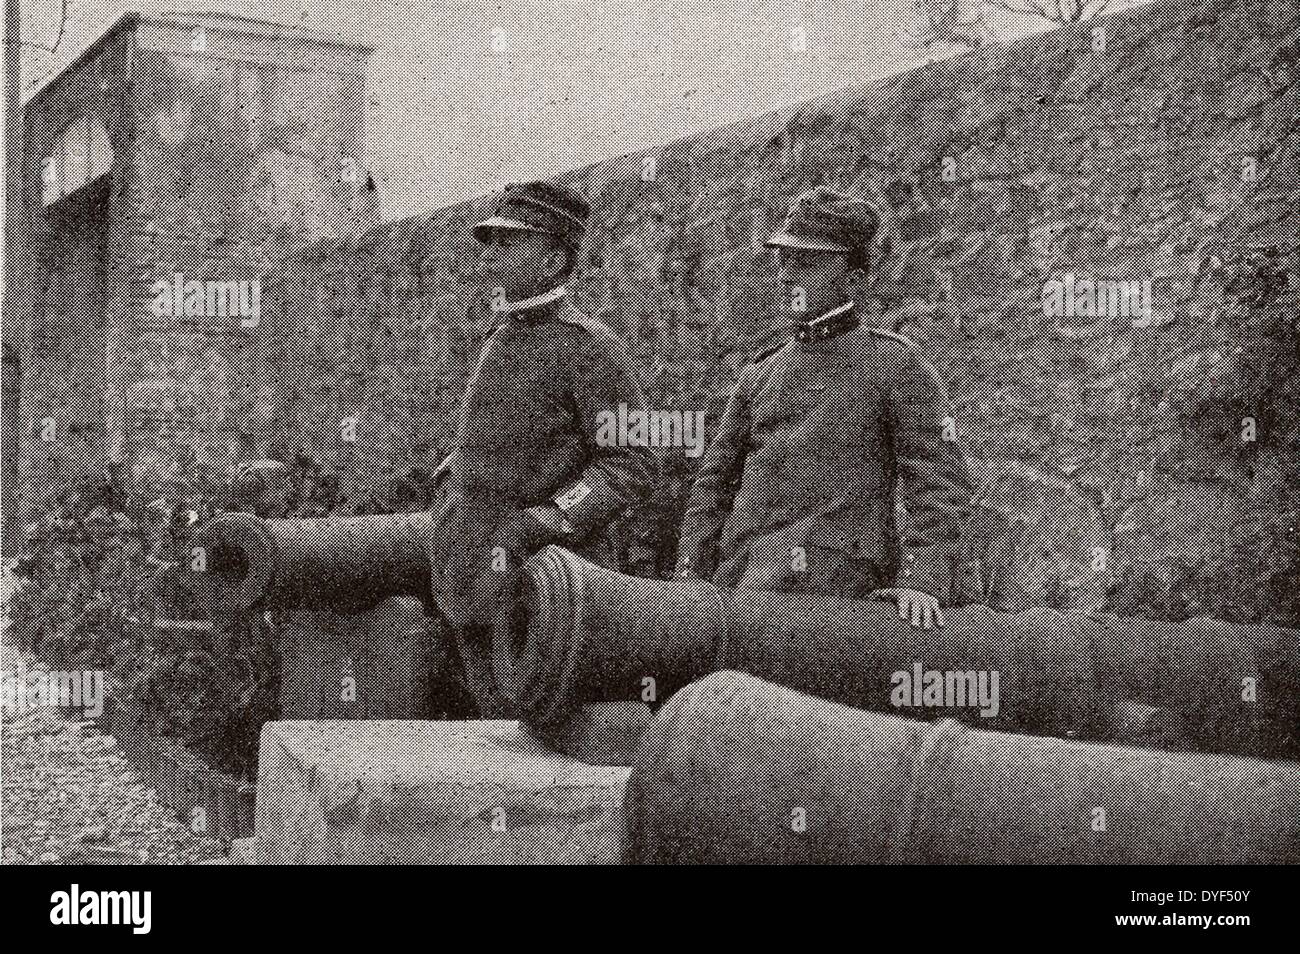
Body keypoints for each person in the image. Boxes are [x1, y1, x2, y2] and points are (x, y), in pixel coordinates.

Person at [676, 187, 974, 629]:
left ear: (853, 280)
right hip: (741, 585)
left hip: (837, 590)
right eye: (784, 263)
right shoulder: (760, 371)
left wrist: (923, 583)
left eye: (808, 264)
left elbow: (938, 488)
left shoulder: (895, 365)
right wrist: (690, 575)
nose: (788, 278)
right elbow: (713, 485)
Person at [429, 181, 658, 712]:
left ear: (556, 257)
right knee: (489, 751)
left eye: (511, 244)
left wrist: (549, 519)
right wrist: (451, 481)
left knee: (544, 747)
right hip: (470, 577)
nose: (492, 258)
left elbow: (633, 463)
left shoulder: (590, 349)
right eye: (491, 244)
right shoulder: (497, 336)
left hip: (546, 592)